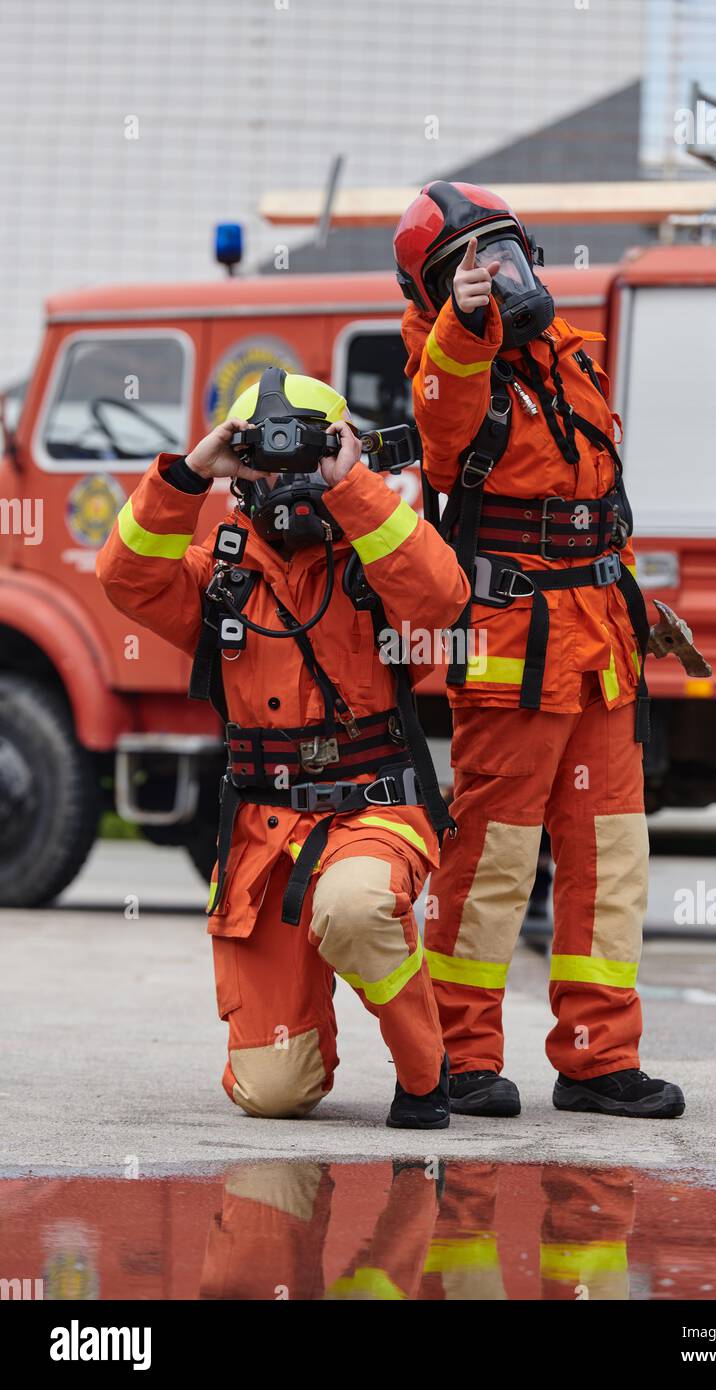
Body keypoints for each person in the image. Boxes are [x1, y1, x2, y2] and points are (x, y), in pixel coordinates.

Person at [97, 369, 469, 1129]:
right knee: (276, 1094)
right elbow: (125, 576)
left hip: (374, 812)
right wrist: (191, 474)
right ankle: (304, 1037)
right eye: (270, 460)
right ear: (242, 473)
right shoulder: (220, 577)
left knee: (355, 905)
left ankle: (426, 1077)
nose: (288, 479)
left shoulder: (376, 559)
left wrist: (352, 484)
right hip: (263, 844)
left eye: (306, 454)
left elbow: (444, 600)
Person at [394, 180, 685, 1120]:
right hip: (515, 649)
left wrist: (640, 606)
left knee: (611, 858)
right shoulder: (443, 363)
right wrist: (464, 328)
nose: (495, 275)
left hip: (603, 643)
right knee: (492, 859)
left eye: (504, 252)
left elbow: (603, 504)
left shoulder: (570, 358)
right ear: (434, 292)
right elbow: (442, 432)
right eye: (466, 267)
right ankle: (464, 1059)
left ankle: (599, 1057)